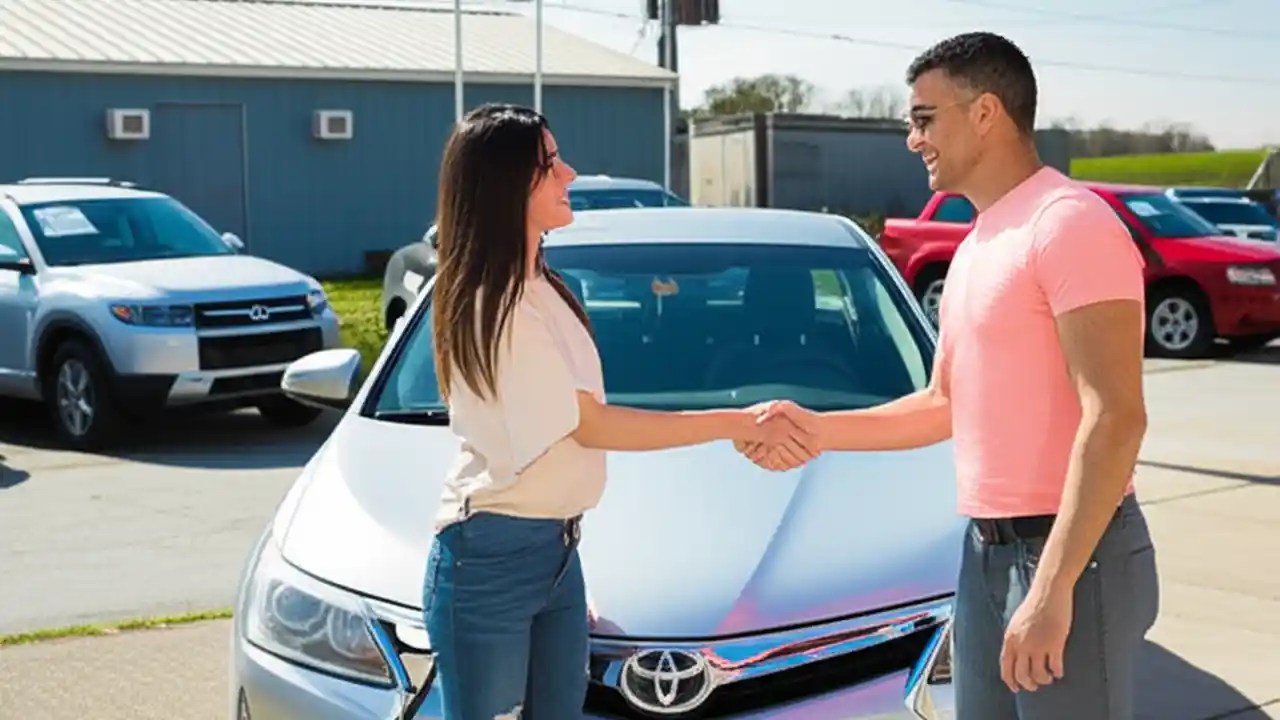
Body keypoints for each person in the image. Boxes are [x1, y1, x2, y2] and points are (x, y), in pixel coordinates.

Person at [740, 32, 1159, 720]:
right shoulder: (978, 244)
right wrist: (816, 431)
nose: (913, 138)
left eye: (925, 118)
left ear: (986, 112)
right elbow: (943, 404)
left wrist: (1052, 586)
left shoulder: (1069, 224)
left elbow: (1116, 415)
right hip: (986, 552)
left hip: (1072, 553)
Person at [422, 103, 816, 720]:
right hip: (491, 558)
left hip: (552, 548)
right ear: (504, 186)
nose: (570, 174)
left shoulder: (544, 288)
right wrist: (737, 421)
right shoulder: (493, 306)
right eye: (549, 164)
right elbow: (592, 424)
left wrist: (557, 561)